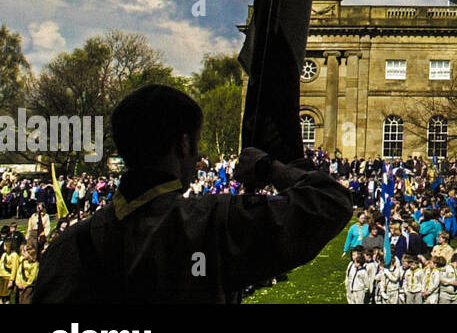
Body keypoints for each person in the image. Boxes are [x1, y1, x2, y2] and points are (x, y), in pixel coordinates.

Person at [33, 83, 352, 304]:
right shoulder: (211, 223)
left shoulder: (68, 246)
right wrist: (270, 168)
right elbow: (331, 203)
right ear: (183, 144)